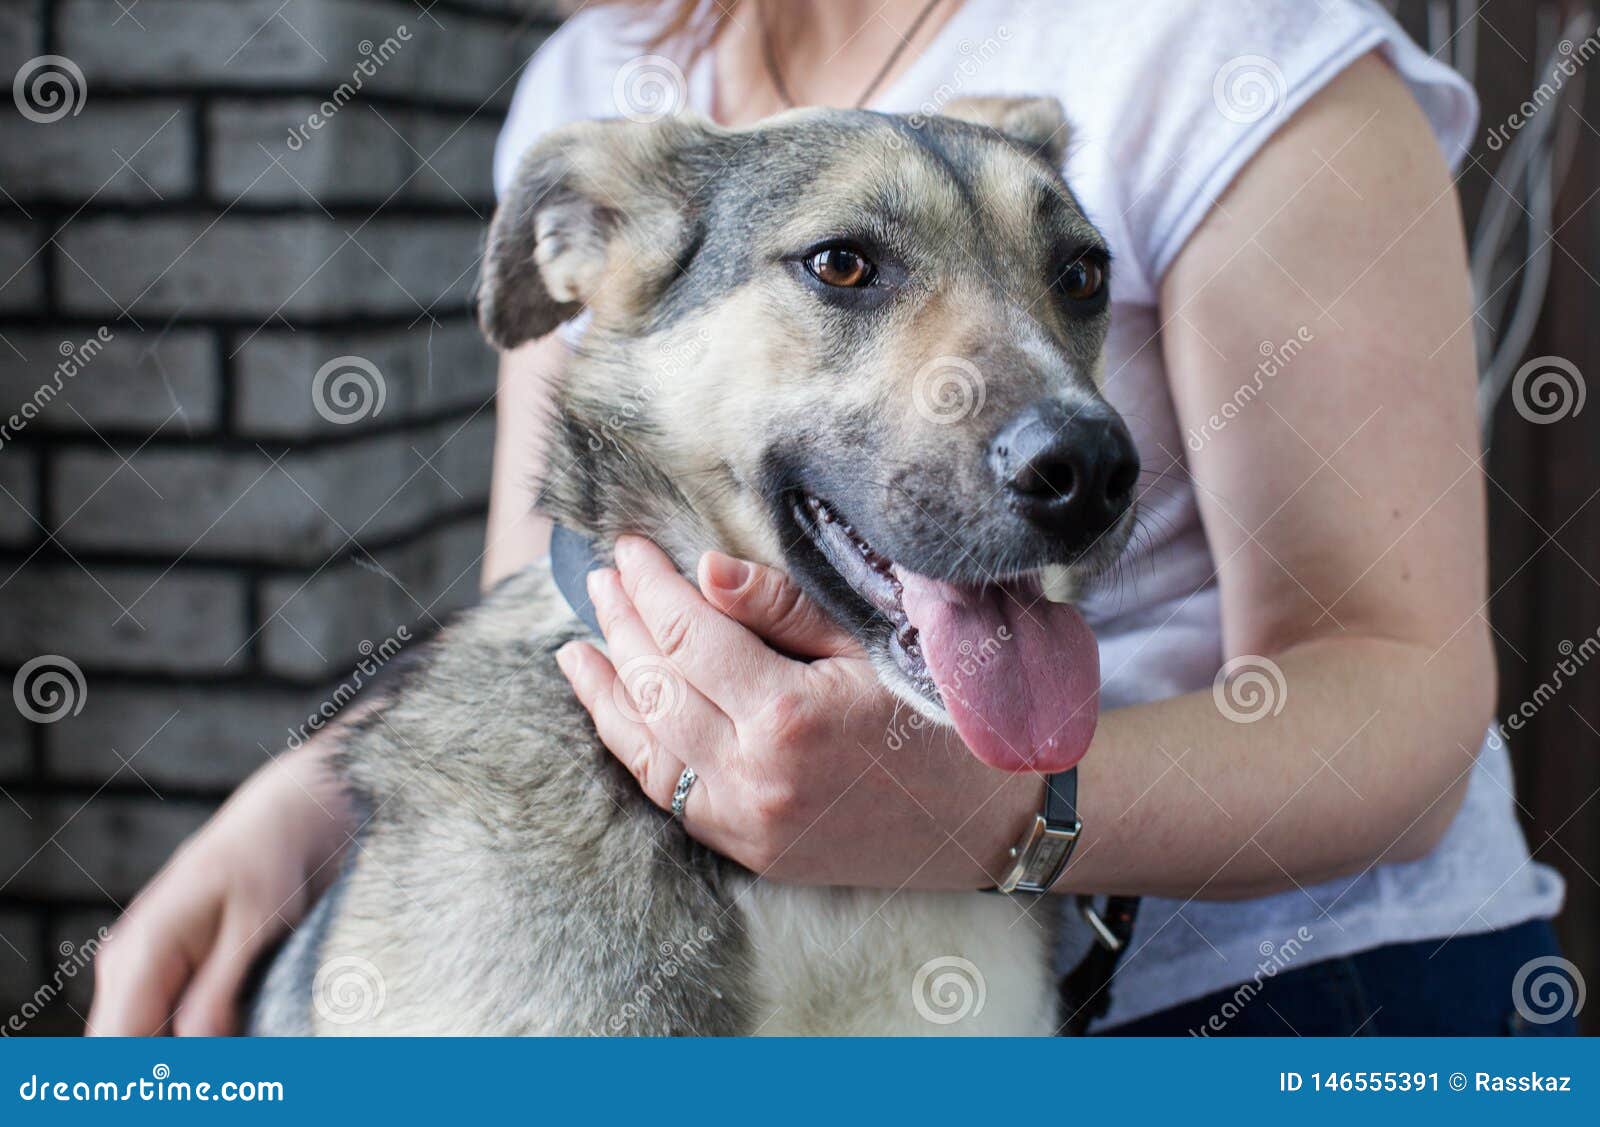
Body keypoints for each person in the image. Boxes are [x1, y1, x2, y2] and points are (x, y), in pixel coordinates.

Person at [89, 0, 1569, 1037]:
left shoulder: (1223, 41)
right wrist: (308, 806)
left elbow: (1400, 690)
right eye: (849, 267)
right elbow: (551, 584)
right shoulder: (601, 74)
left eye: (1070, 282)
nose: (1052, 404)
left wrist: (991, 821)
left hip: (1303, 992)